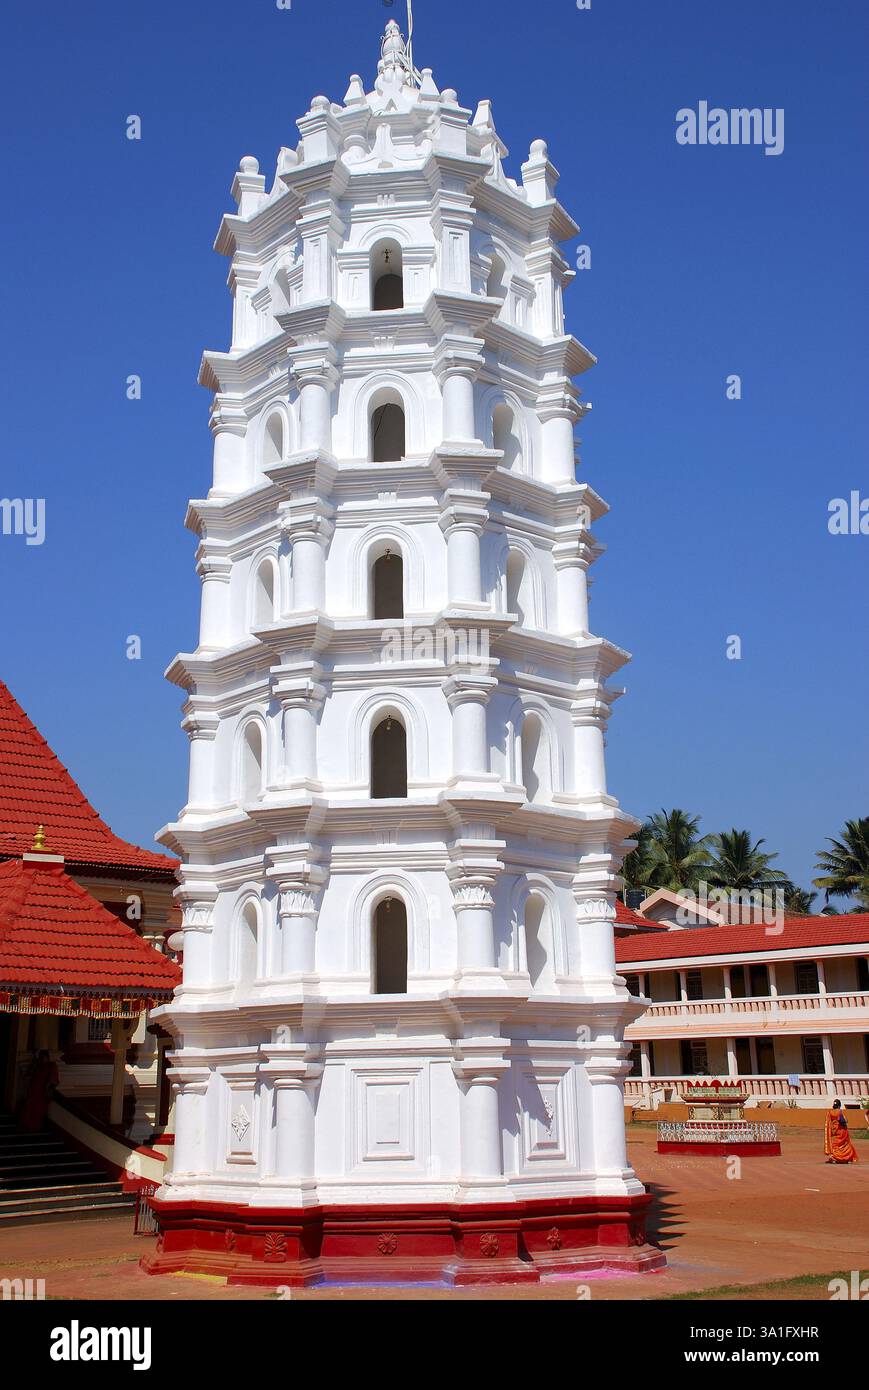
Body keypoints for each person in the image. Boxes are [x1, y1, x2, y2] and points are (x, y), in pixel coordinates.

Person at [19, 1049, 59, 1133]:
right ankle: (25, 1125)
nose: (41, 1058)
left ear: (47, 1057)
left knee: (38, 1110)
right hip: (33, 1091)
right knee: (28, 1107)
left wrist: (48, 1088)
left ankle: (33, 1127)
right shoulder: (38, 1065)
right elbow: (29, 1074)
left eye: (43, 1056)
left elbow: (53, 1078)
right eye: (40, 1057)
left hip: (41, 1092)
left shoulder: (51, 1065)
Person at [824, 1098, 859, 1164]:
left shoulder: (830, 1112)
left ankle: (835, 1158)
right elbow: (844, 1120)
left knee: (835, 1145)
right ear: (839, 1105)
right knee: (845, 1144)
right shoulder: (840, 1112)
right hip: (842, 1131)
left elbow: (828, 1122)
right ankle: (847, 1158)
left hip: (834, 1131)